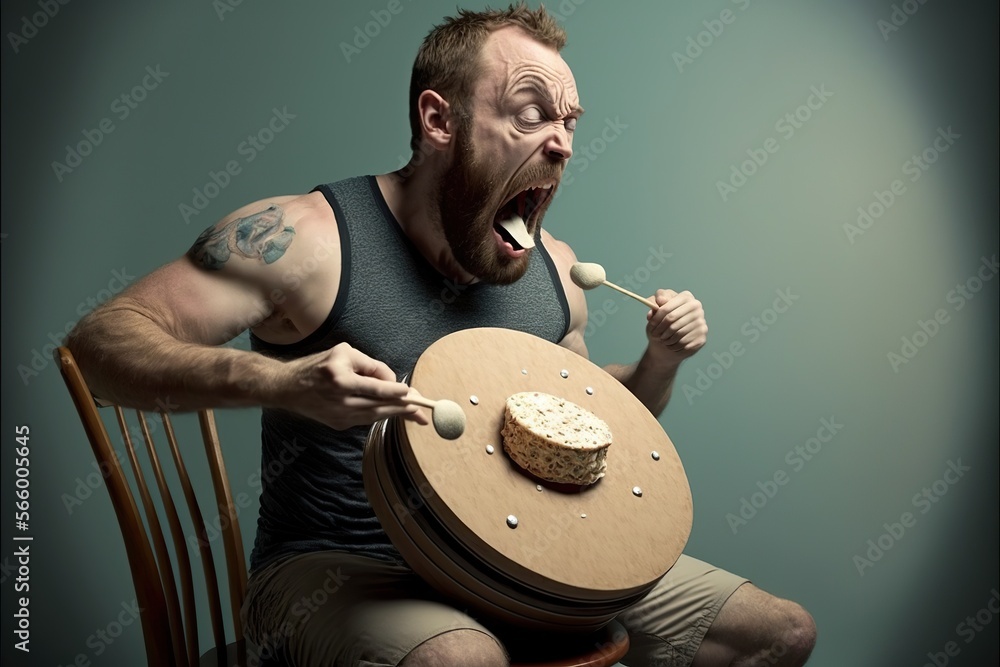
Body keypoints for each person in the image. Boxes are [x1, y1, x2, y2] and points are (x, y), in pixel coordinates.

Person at [67, 4, 816, 666]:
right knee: (461, 658)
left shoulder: (551, 271)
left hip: (518, 564)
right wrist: (282, 380)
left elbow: (585, 425)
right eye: (530, 112)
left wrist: (660, 360)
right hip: (338, 571)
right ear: (438, 120)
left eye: (569, 122)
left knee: (778, 631)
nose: (561, 143)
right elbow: (103, 342)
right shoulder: (309, 241)